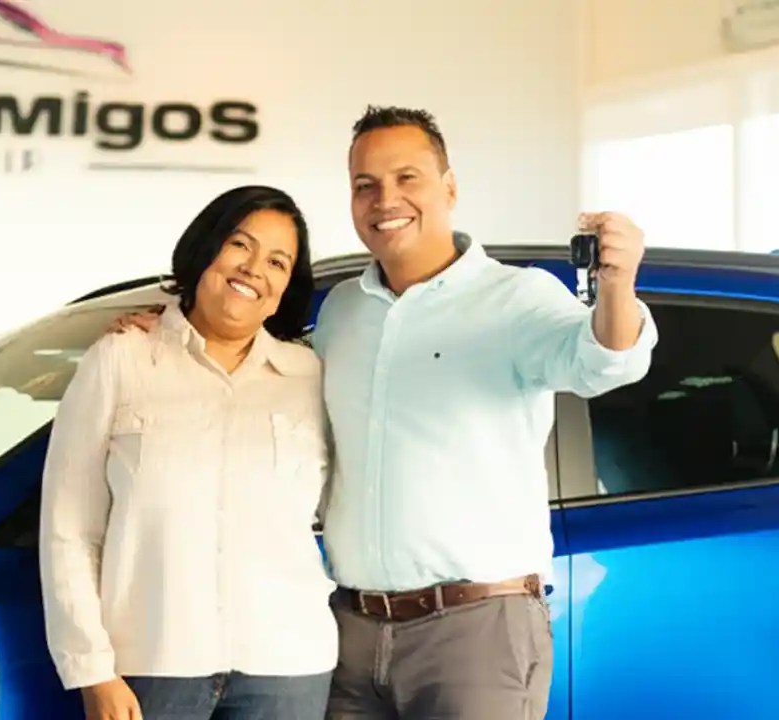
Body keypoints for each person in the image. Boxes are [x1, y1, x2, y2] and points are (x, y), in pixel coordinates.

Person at [110, 106, 657, 719]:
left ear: (450, 187)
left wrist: (617, 284)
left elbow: (606, 363)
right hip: (351, 630)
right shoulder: (342, 311)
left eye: (407, 178)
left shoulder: (516, 298)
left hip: (473, 631)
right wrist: (174, 333)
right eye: (364, 185)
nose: (383, 199)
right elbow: (262, 380)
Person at [38, 184, 338, 720]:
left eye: (277, 261)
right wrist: (93, 671)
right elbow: (70, 529)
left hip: (287, 670)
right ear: (206, 249)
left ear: (287, 286)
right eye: (239, 245)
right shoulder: (121, 360)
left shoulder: (310, 378)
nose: (253, 269)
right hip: (152, 667)